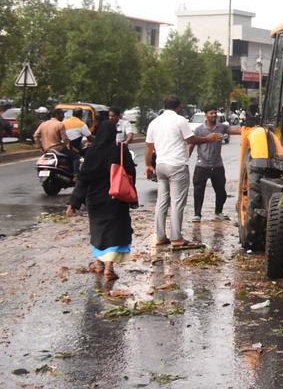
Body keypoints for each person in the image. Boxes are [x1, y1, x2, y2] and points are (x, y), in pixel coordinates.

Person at [145, 95, 222, 249]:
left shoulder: (154, 122)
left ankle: (160, 236)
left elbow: (149, 146)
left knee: (162, 201)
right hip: (177, 165)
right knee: (177, 202)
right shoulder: (180, 120)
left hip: (160, 166)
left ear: (164, 106)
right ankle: (176, 238)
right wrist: (209, 138)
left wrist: (148, 165)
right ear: (178, 107)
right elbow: (191, 139)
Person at [65, 117, 135, 282]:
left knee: (98, 230)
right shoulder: (121, 150)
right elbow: (131, 172)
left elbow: (84, 178)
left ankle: (98, 264)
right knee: (115, 231)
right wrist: (131, 196)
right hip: (116, 197)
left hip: (95, 199)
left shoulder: (91, 152)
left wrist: (73, 203)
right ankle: (109, 267)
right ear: (113, 134)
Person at [190, 105, 241, 221]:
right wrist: (185, 158)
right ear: (205, 115)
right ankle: (197, 214)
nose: (213, 115)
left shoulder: (222, 127)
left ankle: (218, 213)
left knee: (221, 191)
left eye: (215, 113)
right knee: (198, 191)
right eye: (211, 113)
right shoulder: (199, 129)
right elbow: (191, 144)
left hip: (217, 165)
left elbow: (235, 130)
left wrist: (248, 130)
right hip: (201, 165)